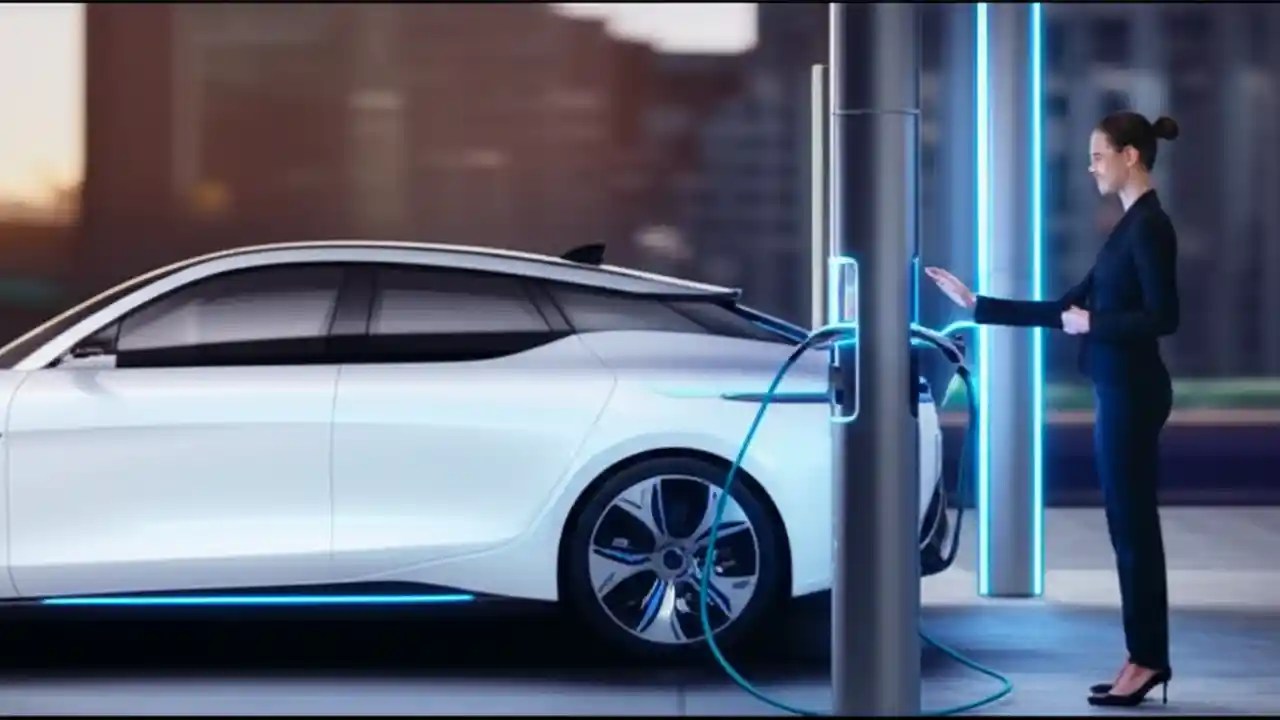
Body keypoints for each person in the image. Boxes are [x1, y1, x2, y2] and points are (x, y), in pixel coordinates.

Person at [925, 110, 1181, 708]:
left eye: (1098, 156)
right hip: (1117, 389)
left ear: (1130, 156)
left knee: (1134, 532)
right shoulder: (1128, 227)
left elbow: (1164, 317)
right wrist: (978, 304)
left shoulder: (1150, 226)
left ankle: (1148, 661)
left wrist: (1094, 323)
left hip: (1135, 392)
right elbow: (1065, 309)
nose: (1091, 167)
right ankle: (1141, 656)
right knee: (1126, 529)